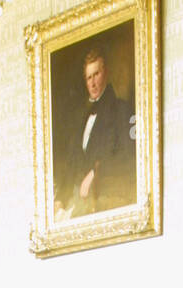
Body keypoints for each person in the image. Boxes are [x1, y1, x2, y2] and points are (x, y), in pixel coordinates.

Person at [54, 47, 136, 219]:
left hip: (106, 199)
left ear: (105, 73)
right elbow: (71, 164)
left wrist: (95, 172)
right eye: (89, 77)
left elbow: (128, 158)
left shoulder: (121, 109)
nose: (92, 83)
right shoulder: (82, 119)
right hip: (78, 201)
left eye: (96, 74)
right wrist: (60, 199)